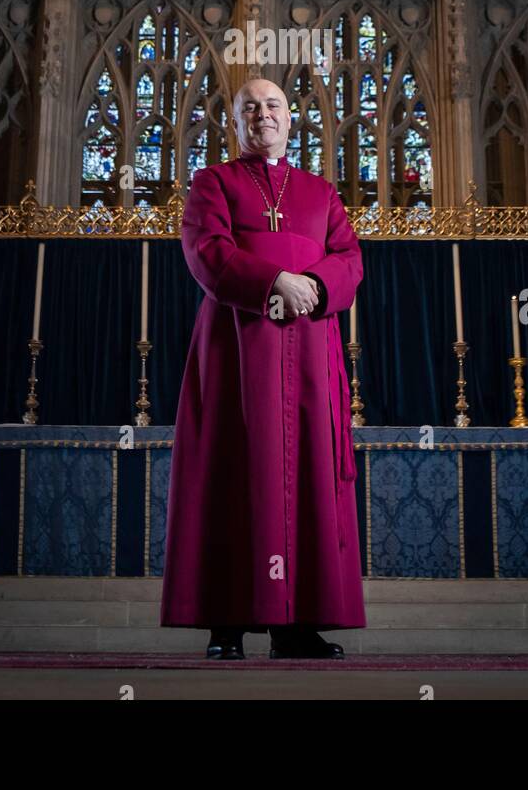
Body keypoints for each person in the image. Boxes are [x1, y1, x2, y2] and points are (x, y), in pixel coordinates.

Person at [159, 77, 366, 659]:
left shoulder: (319, 191)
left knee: (306, 476)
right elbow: (206, 251)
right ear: (236, 122)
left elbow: (349, 258)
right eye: (250, 107)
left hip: (308, 352)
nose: (262, 114)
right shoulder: (213, 182)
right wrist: (274, 281)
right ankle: (225, 624)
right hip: (236, 349)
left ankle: (296, 625)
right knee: (230, 472)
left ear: (289, 119)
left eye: (272, 105)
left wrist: (314, 288)